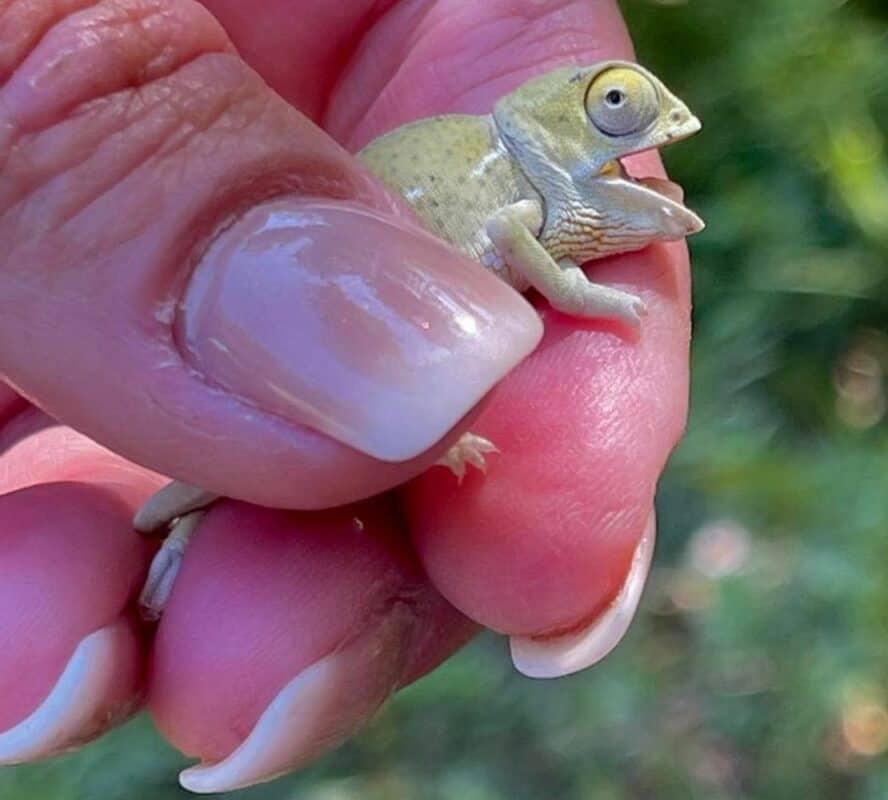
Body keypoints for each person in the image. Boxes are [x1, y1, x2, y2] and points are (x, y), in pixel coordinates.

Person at [0, 0, 691, 791]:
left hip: (301, 380)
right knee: (208, 490)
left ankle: (175, 550)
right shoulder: (520, 187)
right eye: (614, 110)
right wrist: (592, 300)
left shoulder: (516, 167)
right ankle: (172, 547)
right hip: (306, 352)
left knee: (249, 507)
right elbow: (509, 238)